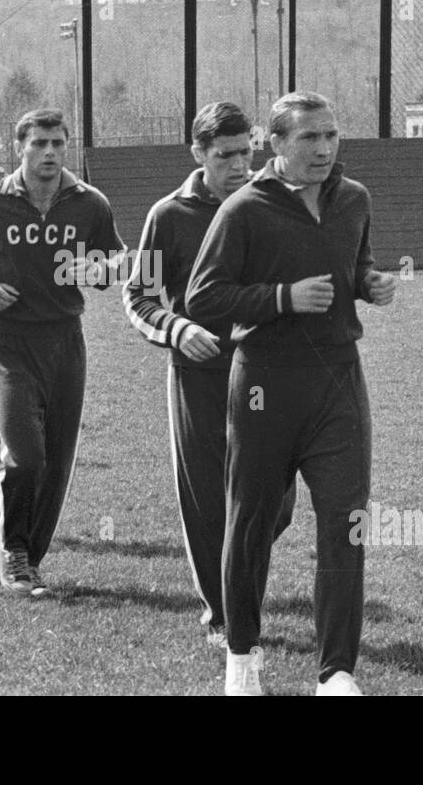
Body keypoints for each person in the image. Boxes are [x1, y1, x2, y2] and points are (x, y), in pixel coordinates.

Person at [186, 91, 398, 697]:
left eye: (331, 136)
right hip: (263, 385)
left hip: (337, 384)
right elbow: (203, 298)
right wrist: (281, 298)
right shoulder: (244, 209)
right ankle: (242, 657)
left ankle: (336, 673)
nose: (325, 149)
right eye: (309, 138)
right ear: (274, 144)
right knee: (251, 521)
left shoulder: (354, 199)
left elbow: (354, 264)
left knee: (345, 521)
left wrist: (369, 282)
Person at [123, 101, 295, 649]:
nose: (240, 164)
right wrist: (176, 330)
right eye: (225, 155)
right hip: (198, 373)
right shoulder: (168, 216)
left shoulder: (275, 205)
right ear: (198, 154)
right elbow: (140, 296)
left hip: (268, 370)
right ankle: (224, 613)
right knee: (208, 498)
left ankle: (237, 571)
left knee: (278, 498)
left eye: (247, 150)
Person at [0, 108, 125, 596]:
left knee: (58, 460)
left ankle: (28, 559)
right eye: (39, 143)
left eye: (58, 144)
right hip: (9, 342)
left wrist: (102, 269)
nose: (49, 153)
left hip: (66, 341)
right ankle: (13, 549)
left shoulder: (89, 203)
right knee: (25, 455)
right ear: (19, 148)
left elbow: (119, 256)